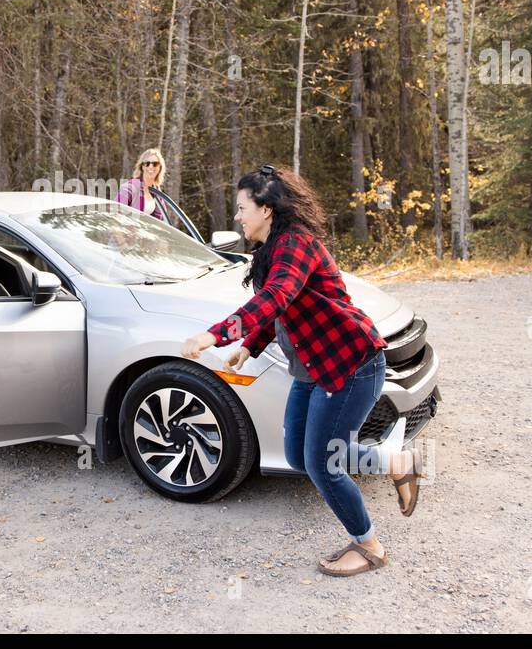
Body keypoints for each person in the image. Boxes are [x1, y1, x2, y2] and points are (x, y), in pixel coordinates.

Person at [180, 165, 421, 577]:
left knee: (323, 463)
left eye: (242, 208)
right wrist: (249, 346)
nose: (237, 217)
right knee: (297, 454)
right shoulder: (271, 249)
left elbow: (276, 297)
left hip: (350, 365)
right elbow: (283, 312)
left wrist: (215, 335)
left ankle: (370, 547)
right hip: (314, 369)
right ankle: (395, 462)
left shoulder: (296, 244)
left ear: (267, 209)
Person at [116, 147, 177, 226]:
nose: (151, 167)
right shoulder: (130, 187)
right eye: (147, 163)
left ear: (160, 168)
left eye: (155, 164)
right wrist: (122, 238)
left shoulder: (156, 191)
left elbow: (161, 222)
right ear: (142, 166)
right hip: (124, 234)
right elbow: (115, 215)